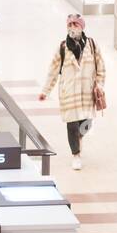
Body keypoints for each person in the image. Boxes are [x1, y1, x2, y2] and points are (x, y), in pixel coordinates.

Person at [38, 12, 106, 170]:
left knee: (87, 123)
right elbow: (53, 70)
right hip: (69, 93)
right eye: (69, 25)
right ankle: (76, 155)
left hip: (87, 93)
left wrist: (100, 85)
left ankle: (78, 138)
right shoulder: (62, 47)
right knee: (72, 125)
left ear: (82, 27)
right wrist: (45, 91)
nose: (72, 28)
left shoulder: (92, 44)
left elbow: (101, 67)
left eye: (75, 24)